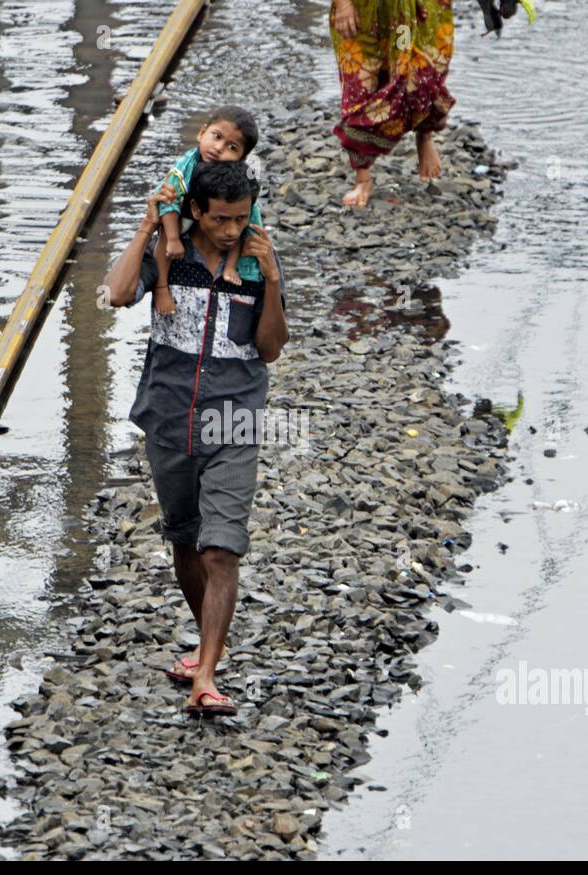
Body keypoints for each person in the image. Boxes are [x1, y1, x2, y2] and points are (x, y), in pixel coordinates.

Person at [103, 161, 289, 717]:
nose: (232, 230)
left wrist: (273, 281)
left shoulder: (256, 264)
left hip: (234, 421)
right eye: (220, 220)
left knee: (221, 548)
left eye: (240, 219)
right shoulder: (169, 254)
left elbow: (272, 349)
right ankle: (209, 646)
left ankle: (205, 675)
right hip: (168, 418)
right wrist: (144, 228)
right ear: (198, 213)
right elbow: (114, 295)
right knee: (184, 538)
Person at [328, 0, 457, 206]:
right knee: (361, 84)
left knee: (413, 70)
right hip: (365, 9)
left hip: (408, 17)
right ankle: (363, 178)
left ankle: (424, 135)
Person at [151, 107, 264, 316]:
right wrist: (174, 239)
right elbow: (168, 201)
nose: (219, 148)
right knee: (165, 237)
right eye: (216, 136)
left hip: (207, 216)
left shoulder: (235, 180)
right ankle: (161, 288)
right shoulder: (186, 165)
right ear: (202, 133)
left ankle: (231, 267)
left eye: (231, 147)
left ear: (241, 158)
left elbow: (247, 221)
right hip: (179, 213)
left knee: (237, 225)